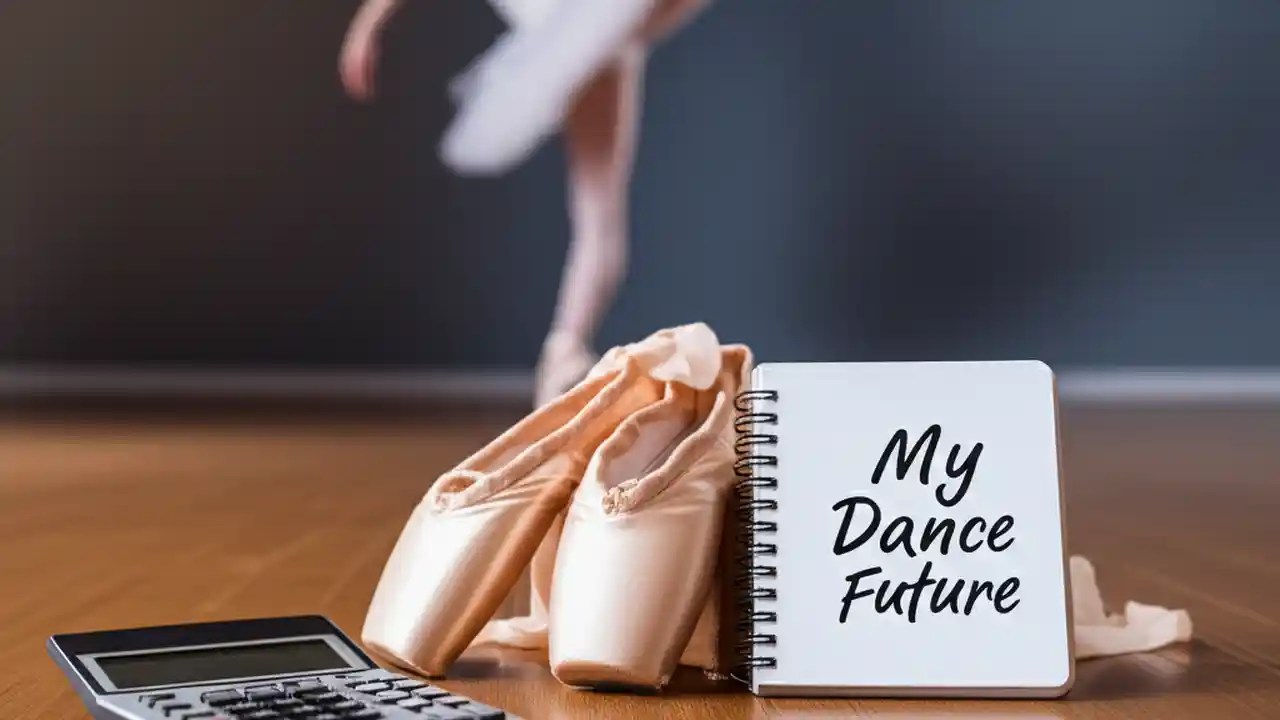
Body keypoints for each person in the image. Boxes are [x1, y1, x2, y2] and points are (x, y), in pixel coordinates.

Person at [340, 0, 711, 407]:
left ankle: (564, 351)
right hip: (574, 36)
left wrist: (367, 27)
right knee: (599, 217)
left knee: (599, 216)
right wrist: (368, 26)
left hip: (599, 42)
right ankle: (564, 352)